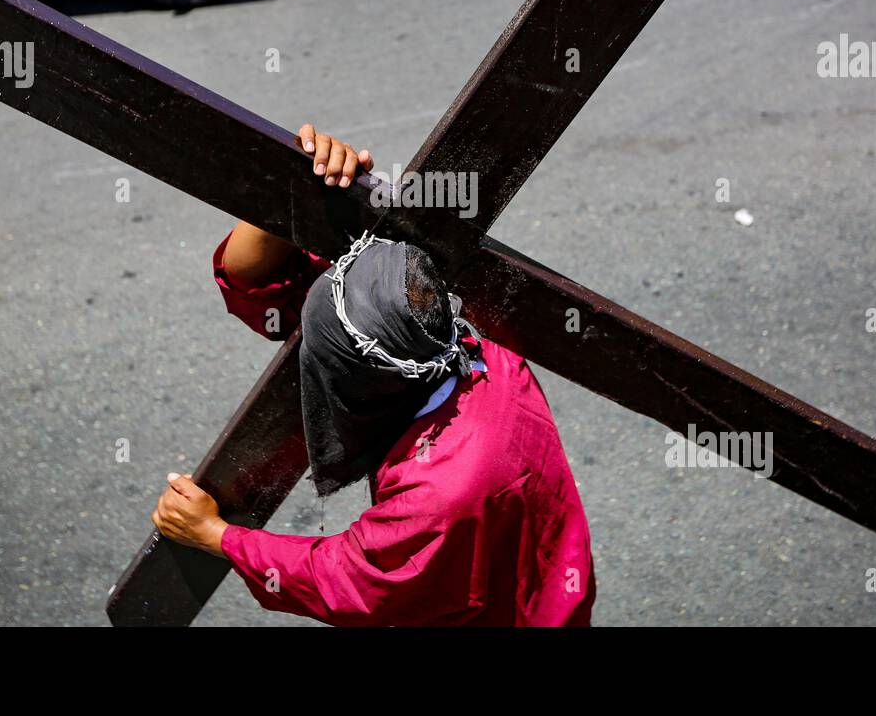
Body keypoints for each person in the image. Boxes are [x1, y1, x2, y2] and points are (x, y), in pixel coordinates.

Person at [151, 124, 595, 626]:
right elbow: (255, 281)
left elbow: (350, 578)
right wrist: (305, 182)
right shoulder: (483, 353)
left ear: (355, 381)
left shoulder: (436, 491)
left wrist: (218, 536)